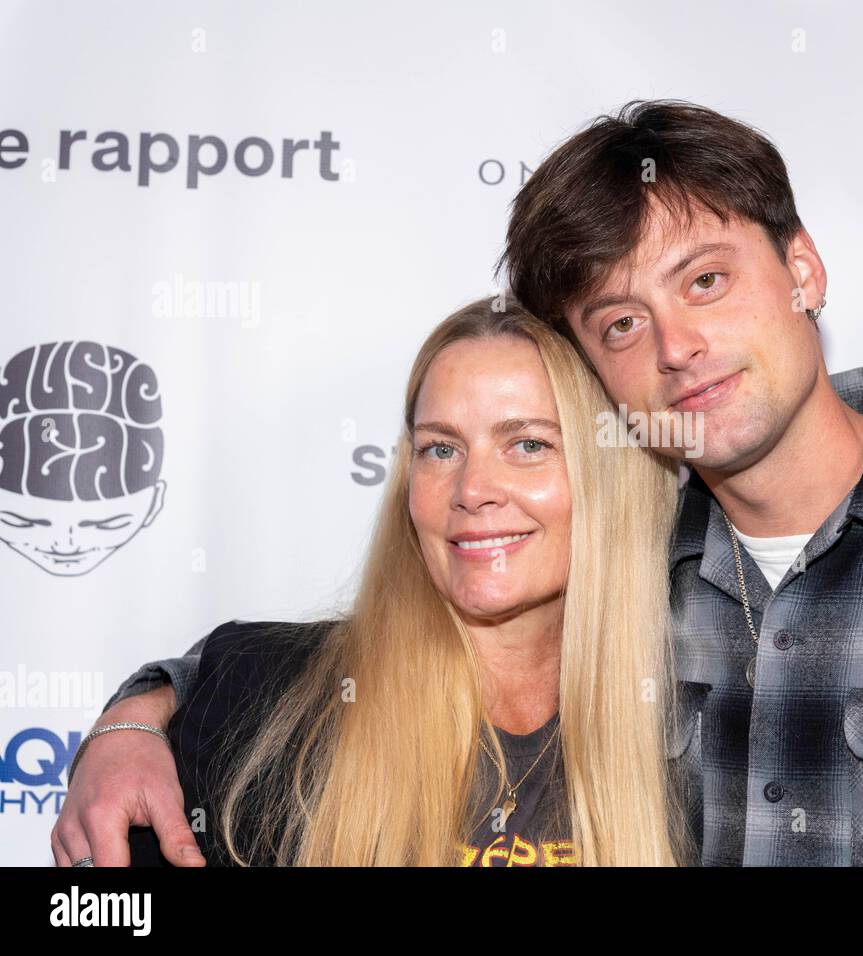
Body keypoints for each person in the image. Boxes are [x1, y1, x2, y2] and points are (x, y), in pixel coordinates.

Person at [60, 99, 863, 867]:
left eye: (705, 279)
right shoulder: (622, 574)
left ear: (801, 266)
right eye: (618, 321)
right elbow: (360, 656)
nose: (676, 346)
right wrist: (135, 717)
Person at [56, 296, 686, 867]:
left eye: (527, 445)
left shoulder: (686, 730)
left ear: (611, 478)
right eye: (441, 449)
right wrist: (128, 724)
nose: (472, 492)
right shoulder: (254, 696)